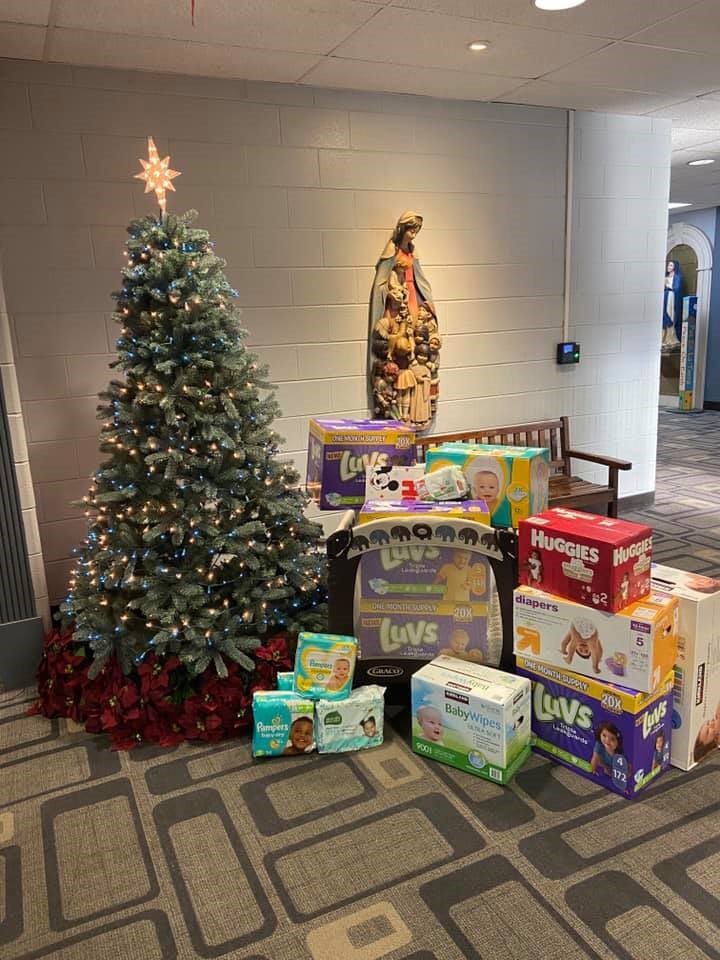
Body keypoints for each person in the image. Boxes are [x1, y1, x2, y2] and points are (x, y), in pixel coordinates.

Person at [368, 211, 439, 429]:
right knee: (398, 336)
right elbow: (382, 281)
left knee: (413, 333)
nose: (414, 234)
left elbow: (419, 278)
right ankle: (396, 400)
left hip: (412, 296)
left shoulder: (413, 251)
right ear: (402, 228)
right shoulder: (392, 250)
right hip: (397, 300)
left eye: (417, 230)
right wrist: (390, 294)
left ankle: (413, 402)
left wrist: (427, 300)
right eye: (411, 229)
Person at [662, 259, 682, 349]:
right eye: (668, 265)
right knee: (664, 313)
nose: (668, 267)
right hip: (665, 295)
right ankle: (663, 338)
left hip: (671, 296)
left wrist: (667, 285)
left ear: (675, 267)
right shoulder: (666, 276)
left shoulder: (677, 276)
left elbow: (677, 288)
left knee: (670, 313)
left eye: (671, 265)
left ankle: (670, 338)